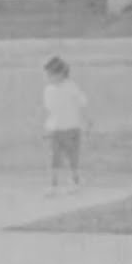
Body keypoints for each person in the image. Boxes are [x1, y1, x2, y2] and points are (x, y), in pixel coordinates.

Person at [42, 56, 91, 196]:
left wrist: (86, 121)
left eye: (50, 74)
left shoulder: (71, 86)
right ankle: (53, 185)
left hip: (71, 127)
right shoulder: (48, 90)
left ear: (61, 74)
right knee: (54, 158)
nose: (48, 77)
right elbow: (49, 109)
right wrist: (48, 127)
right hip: (55, 129)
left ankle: (75, 182)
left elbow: (82, 103)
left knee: (72, 158)